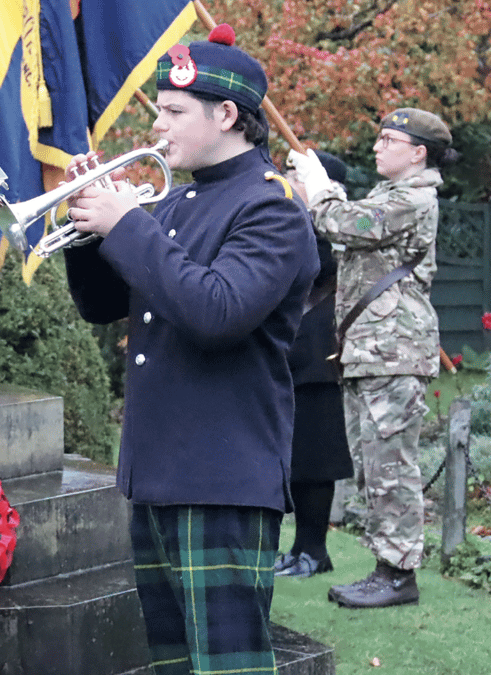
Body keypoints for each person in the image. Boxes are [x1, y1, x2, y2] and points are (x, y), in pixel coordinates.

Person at [62, 25, 318, 674]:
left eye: (173, 112)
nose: (158, 128)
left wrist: (128, 224)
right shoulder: (176, 205)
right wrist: (90, 225)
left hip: (222, 474)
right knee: (174, 663)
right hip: (158, 471)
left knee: (229, 666)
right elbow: (102, 305)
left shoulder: (272, 206)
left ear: (227, 114)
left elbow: (216, 311)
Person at [288, 108, 458, 608]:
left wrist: (319, 184)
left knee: (392, 467)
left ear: (417, 152)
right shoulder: (392, 194)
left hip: (394, 351)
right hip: (372, 350)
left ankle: (398, 576)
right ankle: (385, 569)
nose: (378, 147)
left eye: (388, 140)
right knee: (372, 466)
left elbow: (344, 223)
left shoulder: (414, 197)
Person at [274, 150, 354, 578]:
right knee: (294, 458)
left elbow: (323, 267)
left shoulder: (335, 222)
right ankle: (297, 548)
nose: (284, 178)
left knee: (316, 458)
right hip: (290, 352)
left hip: (322, 351)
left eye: (293, 172)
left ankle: (315, 551)